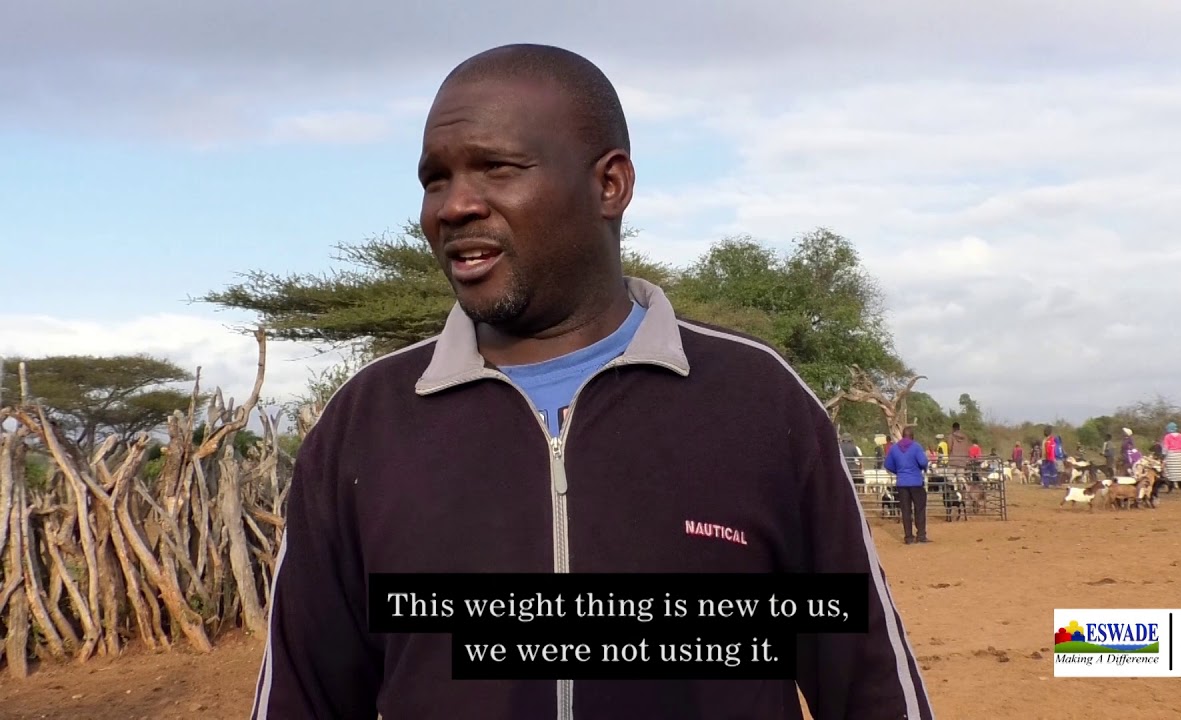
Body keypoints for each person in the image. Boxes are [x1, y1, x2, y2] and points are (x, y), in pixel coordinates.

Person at [249, 44, 932, 720]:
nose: (453, 206)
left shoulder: (756, 402)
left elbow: (870, 684)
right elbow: (301, 697)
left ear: (610, 186)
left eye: (497, 168)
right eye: (435, 179)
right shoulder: (367, 426)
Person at [884, 427, 931, 545]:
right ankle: (921, 535)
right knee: (919, 509)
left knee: (905, 510)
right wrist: (920, 468)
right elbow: (923, 462)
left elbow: (887, 464)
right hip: (916, 482)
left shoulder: (894, 448)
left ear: (903, 436)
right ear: (912, 436)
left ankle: (908, 537)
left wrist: (899, 471)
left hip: (901, 483)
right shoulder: (916, 447)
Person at [1162, 422, 1181, 493]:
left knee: (1170, 473)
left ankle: (1170, 489)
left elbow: (1165, 448)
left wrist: (1163, 455)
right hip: (1179, 455)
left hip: (1171, 456)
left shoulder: (1167, 437)